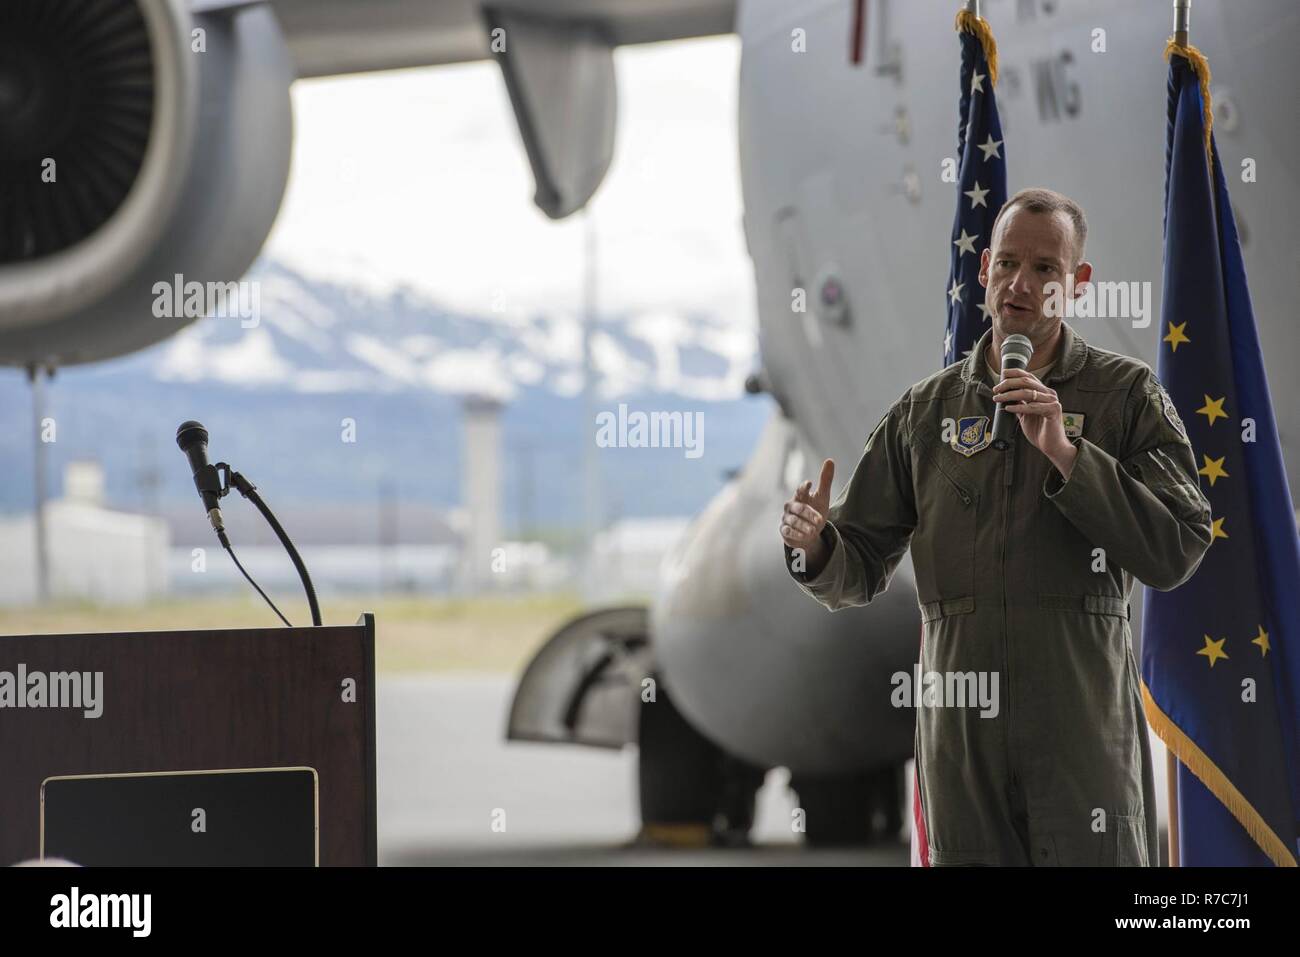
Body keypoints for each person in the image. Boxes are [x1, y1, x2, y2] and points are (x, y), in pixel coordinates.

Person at [779, 187, 1213, 866]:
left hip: (1081, 734)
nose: (1021, 282)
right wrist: (815, 546)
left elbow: (1180, 544)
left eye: (1045, 268)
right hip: (961, 743)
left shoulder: (1126, 398)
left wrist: (1067, 455)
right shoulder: (925, 412)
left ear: (1078, 284)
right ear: (983, 271)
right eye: (1008, 262)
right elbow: (858, 562)